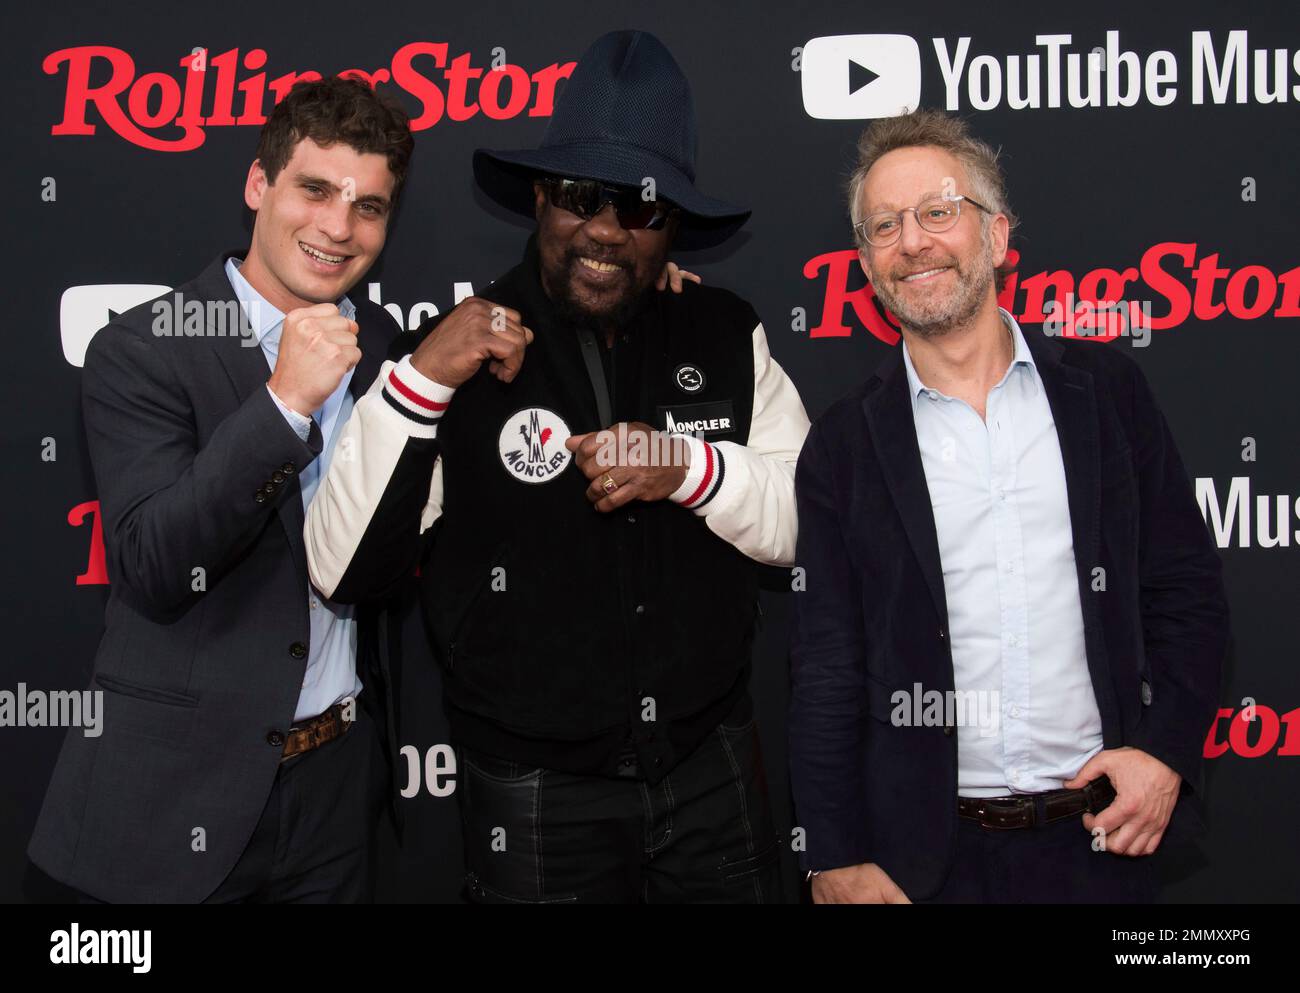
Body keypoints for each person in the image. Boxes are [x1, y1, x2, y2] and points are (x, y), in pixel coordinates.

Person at [306, 30, 810, 903]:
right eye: (583, 197)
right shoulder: (451, 349)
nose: (608, 231)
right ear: (541, 197)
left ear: (673, 224)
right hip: (533, 791)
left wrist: (686, 468)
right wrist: (423, 379)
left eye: (641, 209)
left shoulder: (725, 331)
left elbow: (805, 525)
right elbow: (340, 567)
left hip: (710, 766)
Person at [789, 109, 1229, 904]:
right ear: (866, 264)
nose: (912, 240)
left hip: (1104, 845)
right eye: (883, 225)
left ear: (996, 237)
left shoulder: (1108, 397)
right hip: (921, 865)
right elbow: (826, 665)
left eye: (938, 211)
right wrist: (830, 854)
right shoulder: (843, 445)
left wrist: (1164, 753)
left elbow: (1187, 591)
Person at [29, 77, 414, 902]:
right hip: (174, 800)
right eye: (315, 189)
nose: (338, 228)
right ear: (257, 185)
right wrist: (285, 403)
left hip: (337, 795)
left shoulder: (381, 343)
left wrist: (659, 304)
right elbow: (154, 563)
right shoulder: (144, 349)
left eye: (369, 207)